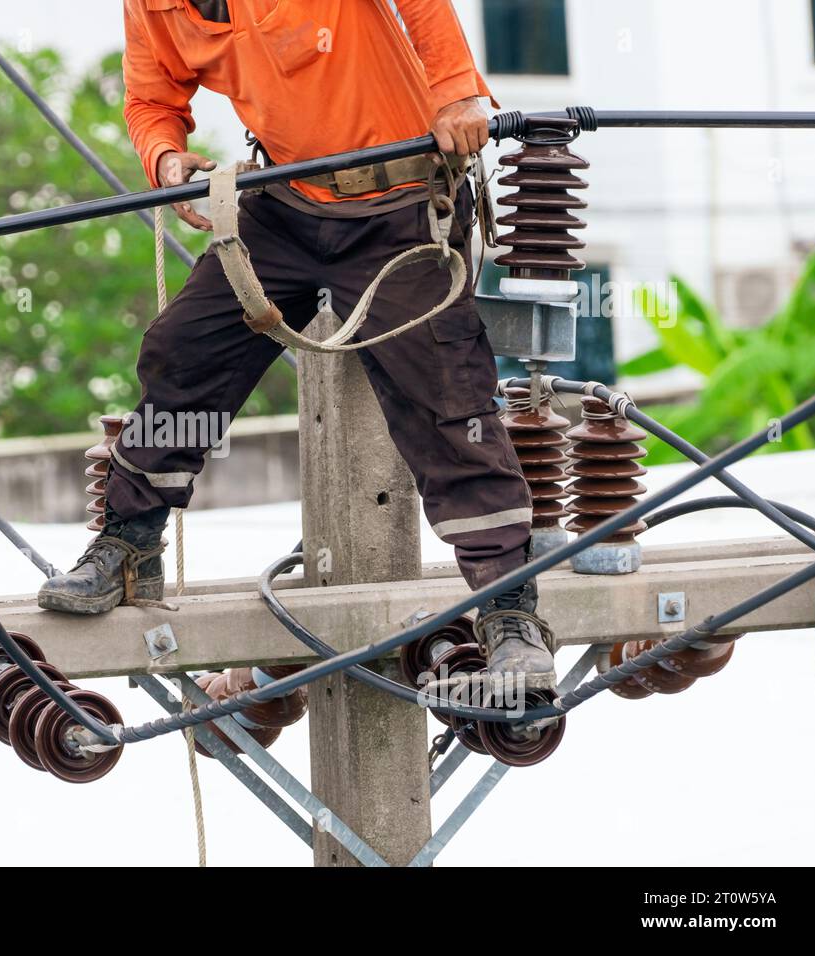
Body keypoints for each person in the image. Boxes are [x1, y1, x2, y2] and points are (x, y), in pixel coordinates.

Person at [38, 0, 554, 692]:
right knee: (184, 351)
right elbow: (153, 96)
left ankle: (508, 605)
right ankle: (129, 545)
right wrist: (165, 161)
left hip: (400, 204)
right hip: (284, 203)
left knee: (444, 395)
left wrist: (456, 90)